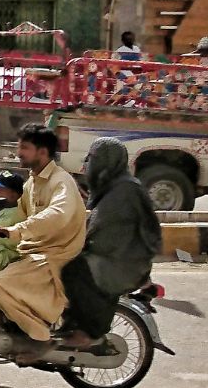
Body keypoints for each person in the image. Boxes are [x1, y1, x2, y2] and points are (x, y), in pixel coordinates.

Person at [0, 123, 86, 348]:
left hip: (54, 255)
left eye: (25, 148)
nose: (19, 153)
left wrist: (17, 231)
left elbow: (57, 215)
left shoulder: (61, 181)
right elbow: (15, 214)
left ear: (42, 152)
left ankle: (40, 338)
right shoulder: (32, 183)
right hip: (32, 251)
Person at [59, 137, 161, 349]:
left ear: (107, 161)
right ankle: (68, 322)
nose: (87, 165)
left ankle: (89, 331)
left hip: (123, 262)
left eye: (92, 159)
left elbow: (107, 233)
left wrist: (78, 245)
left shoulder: (124, 191)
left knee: (71, 268)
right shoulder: (114, 186)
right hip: (117, 255)